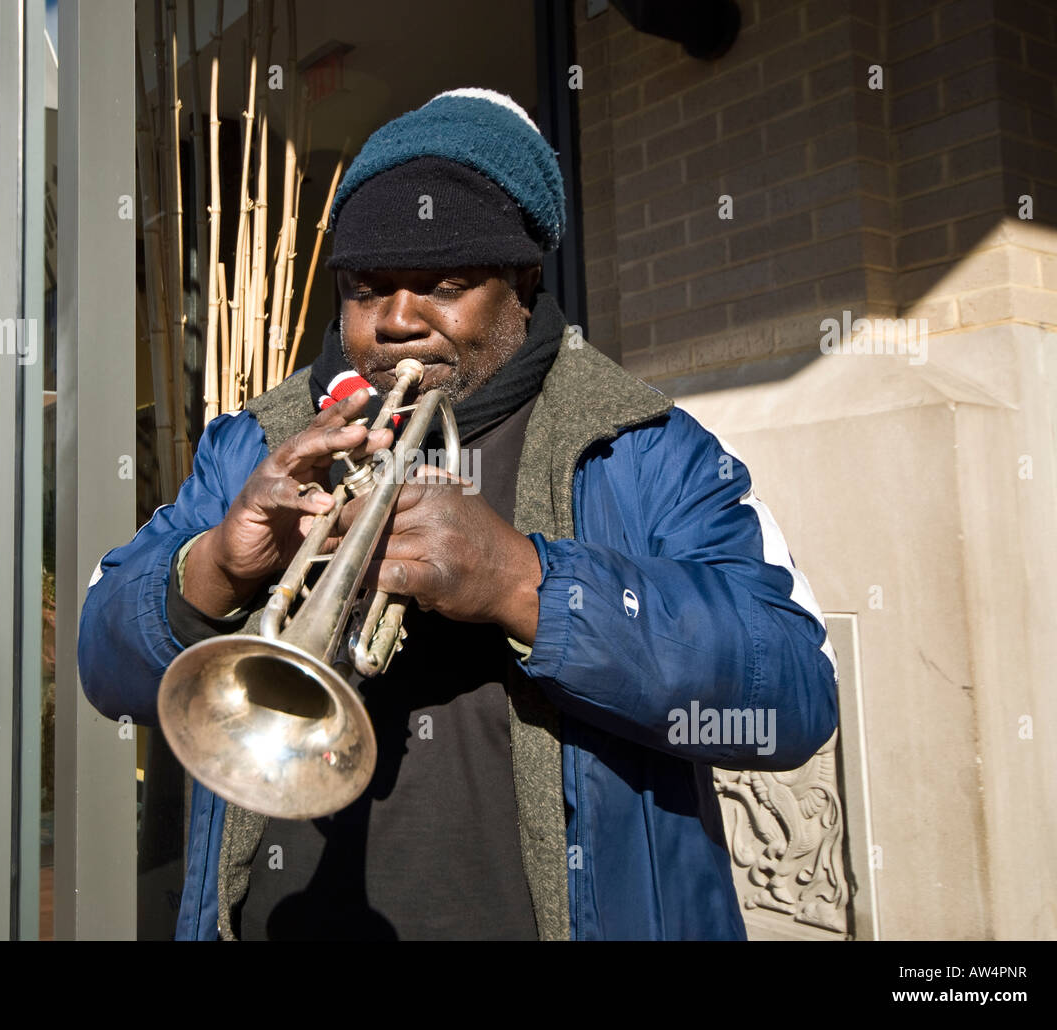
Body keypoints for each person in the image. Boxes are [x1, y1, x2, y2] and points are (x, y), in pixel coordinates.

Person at [79, 88, 838, 940]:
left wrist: (525, 582)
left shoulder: (644, 446)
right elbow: (103, 666)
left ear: (524, 280)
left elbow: (794, 695)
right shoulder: (256, 442)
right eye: (369, 288)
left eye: (443, 284)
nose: (399, 320)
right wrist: (215, 568)